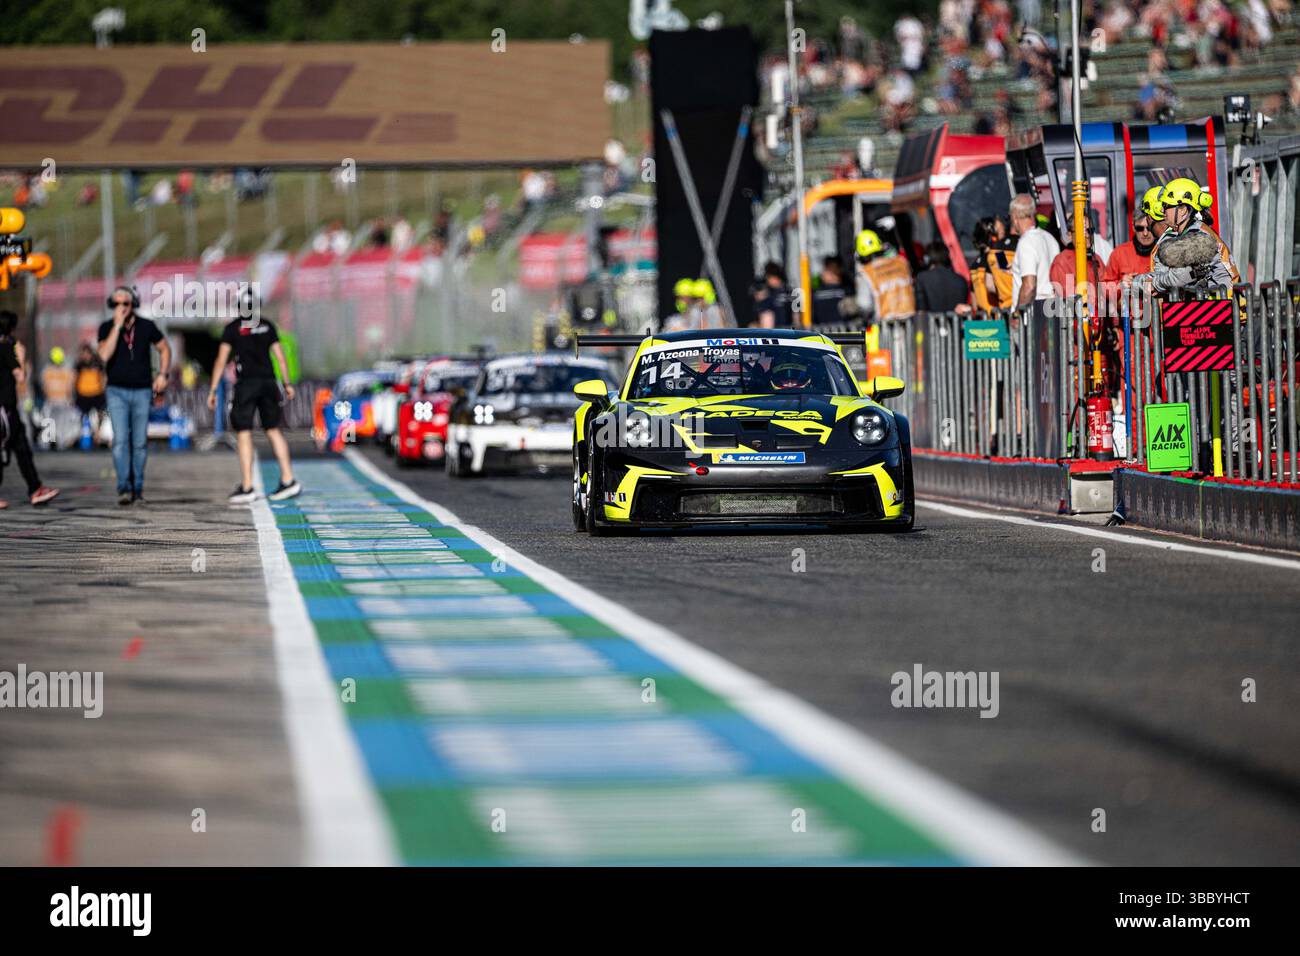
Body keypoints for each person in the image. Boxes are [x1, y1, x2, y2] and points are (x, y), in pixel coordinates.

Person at [207, 298, 302, 503]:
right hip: (268, 382)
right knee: (273, 430)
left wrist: (213, 389)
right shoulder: (267, 325)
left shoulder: (233, 328)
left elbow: (221, 359)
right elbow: (279, 356)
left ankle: (248, 485)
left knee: (244, 432)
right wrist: (287, 383)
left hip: (247, 384)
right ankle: (288, 479)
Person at [97, 286, 171, 506]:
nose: (122, 308)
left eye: (126, 304)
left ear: (133, 305)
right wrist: (117, 327)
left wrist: (163, 375)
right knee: (120, 440)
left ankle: (137, 488)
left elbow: (165, 348)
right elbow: (103, 354)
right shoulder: (106, 327)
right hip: (116, 390)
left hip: (142, 390)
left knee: (139, 442)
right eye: (117, 304)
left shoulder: (146, 326)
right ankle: (124, 488)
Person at [0, 311, 59, 508]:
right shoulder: (5, 346)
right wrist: (21, 357)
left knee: (21, 446)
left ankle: (35, 488)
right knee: (11, 448)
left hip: (8, 410)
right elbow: (20, 377)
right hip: (5, 409)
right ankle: (35, 487)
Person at [1147, 178, 1239, 297]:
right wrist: (1139, 281)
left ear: (1183, 210)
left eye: (1166, 205)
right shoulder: (1189, 233)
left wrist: (1154, 283)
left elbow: (1180, 277)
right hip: (1214, 306)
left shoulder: (1198, 236)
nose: (1162, 210)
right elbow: (1167, 272)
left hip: (1225, 308)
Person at [1008, 193, 1061, 308]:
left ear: (1014, 217)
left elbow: (1029, 286)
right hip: (1052, 308)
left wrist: (1018, 314)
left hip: (1035, 312)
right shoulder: (1050, 238)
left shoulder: (1026, 242)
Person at [854, 228, 916, 322]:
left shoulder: (867, 273)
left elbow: (865, 305)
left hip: (886, 327)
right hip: (910, 323)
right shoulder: (901, 262)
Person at [970, 217, 1015, 311]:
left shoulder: (975, 264)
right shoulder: (999, 255)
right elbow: (999, 282)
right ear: (993, 236)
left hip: (985, 319)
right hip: (1001, 313)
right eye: (1001, 231)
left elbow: (974, 302)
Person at [915, 241, 971, 314]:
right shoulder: (961, 280)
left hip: (932, 324)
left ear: (927, 259)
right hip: (955, 324)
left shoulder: (922, 278)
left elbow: (921, 310)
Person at [73, 343, 108, 439]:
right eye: (82, 353)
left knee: (101, 413)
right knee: (82, 416)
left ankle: (98, 432)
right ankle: (86, 433)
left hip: (96, 393)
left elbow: (102, 377)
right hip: (83, 395)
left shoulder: (98, 363)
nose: (84, 356)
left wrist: (103, 388)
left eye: (86, 353)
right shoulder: (79, 365)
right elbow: (75, 378)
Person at [811, 257, 848, 325]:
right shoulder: (816, 292)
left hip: (844, 329)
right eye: (829, 269)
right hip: (821, 330)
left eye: (835, 269)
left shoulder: (846, 289)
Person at [754, 262, 791, 328]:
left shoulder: (788, 292)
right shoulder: (789, 291)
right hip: (780, 331)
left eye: (768, 277)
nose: (767, 280)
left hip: (781, 331)